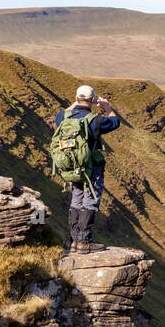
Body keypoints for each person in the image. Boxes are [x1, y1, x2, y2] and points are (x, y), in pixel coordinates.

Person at [52, 86, 121, 253]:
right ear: (92, 100)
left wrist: (76, 101)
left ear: (76, 98)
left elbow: (61, 114)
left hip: (71, 167)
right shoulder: (94, 120)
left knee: (76, 199)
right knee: (90, 201)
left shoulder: (63, 117)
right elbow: (115, 122)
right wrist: (107, 108)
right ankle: (85, 241)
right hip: (91, 168)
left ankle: (75, 241)